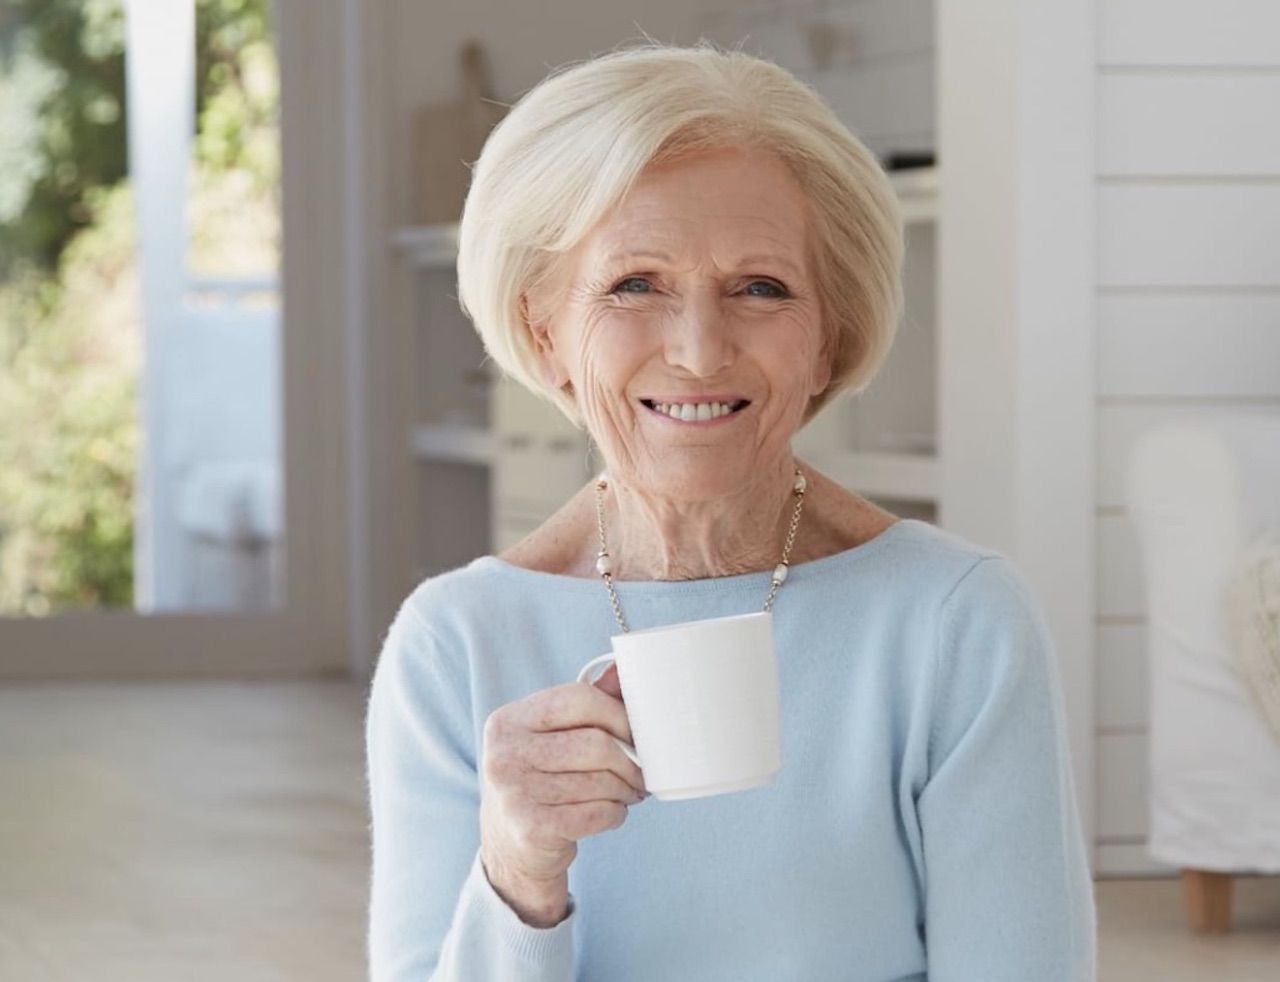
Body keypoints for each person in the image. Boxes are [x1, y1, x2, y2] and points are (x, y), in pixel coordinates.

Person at [364, 40, 1097, 982]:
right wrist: (516, 874)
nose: (701, 352)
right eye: (635, 284)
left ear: (830, 338)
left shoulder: (958, 621)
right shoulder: (453, 646)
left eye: (762, 288)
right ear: (546, 335)